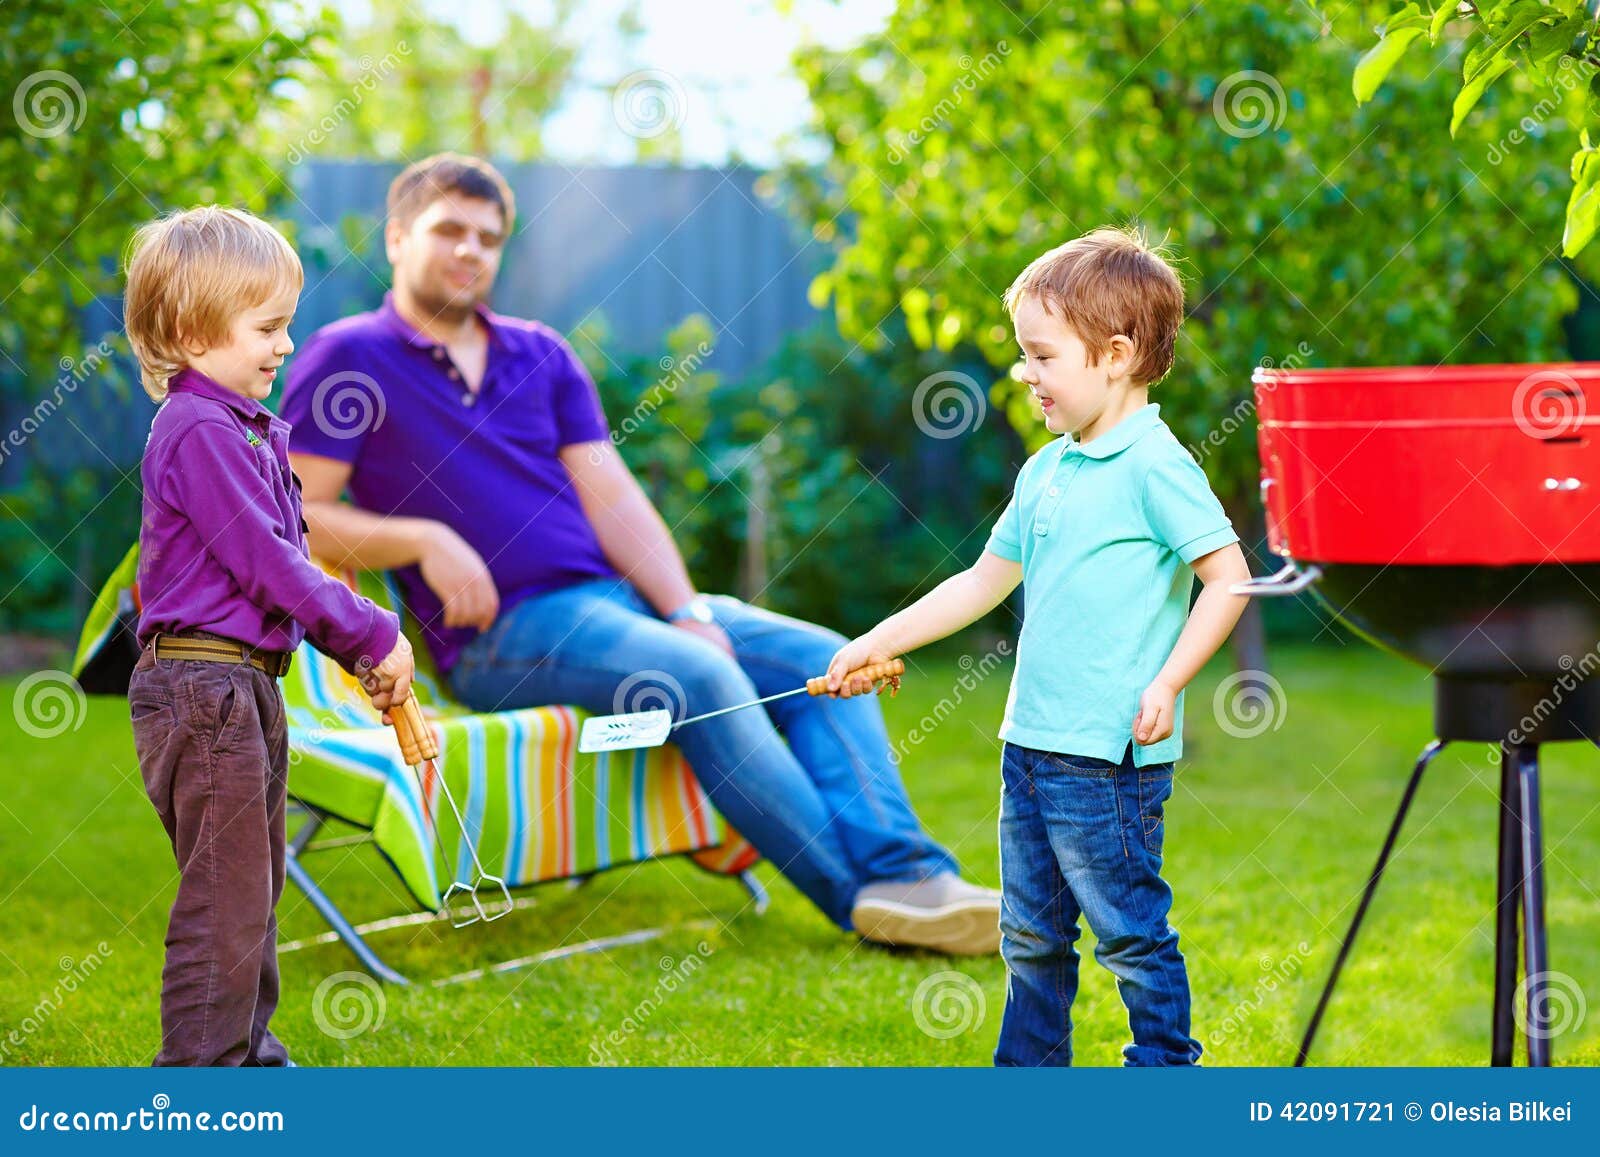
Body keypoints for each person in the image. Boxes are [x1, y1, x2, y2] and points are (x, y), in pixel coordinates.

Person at [279, 153, 1000, 954]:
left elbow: (615, 499)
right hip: (501, 639)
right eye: (449, 230)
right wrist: (425, 537)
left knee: (826, 658)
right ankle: (864, 896)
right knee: (697, 675)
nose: (471, 250)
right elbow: (300, 515)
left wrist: (686, 608)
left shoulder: (540, 354)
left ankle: (911, 873)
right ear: (396, 237)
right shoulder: (347, 356)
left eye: (489, 237)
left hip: (611, 605)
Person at [827, 227, 1251, 1064]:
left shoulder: (1156, 467)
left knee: (1128, 933)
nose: (1025, 374)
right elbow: (981, 581)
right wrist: (876, 636)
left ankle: (1165, 1072)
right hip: (1029, 746)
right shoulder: (1047, 469)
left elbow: (1230, 576)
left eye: (1042, 355)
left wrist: (1169, 681)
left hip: (1107, 757)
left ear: (1117, 354)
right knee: (1029, 935)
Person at [123, 206, 415, 1066]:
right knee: (224, 898)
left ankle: (251, 1054)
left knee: (252, 888)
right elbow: (270, 564)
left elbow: (278, 561)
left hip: (243, 685)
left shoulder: (237, 428)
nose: (286, 344)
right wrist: (370, 635)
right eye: (269, 326)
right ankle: (201, 1084)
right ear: (190, 329)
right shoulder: (201, 430)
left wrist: (354, 647)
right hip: (204, 689)